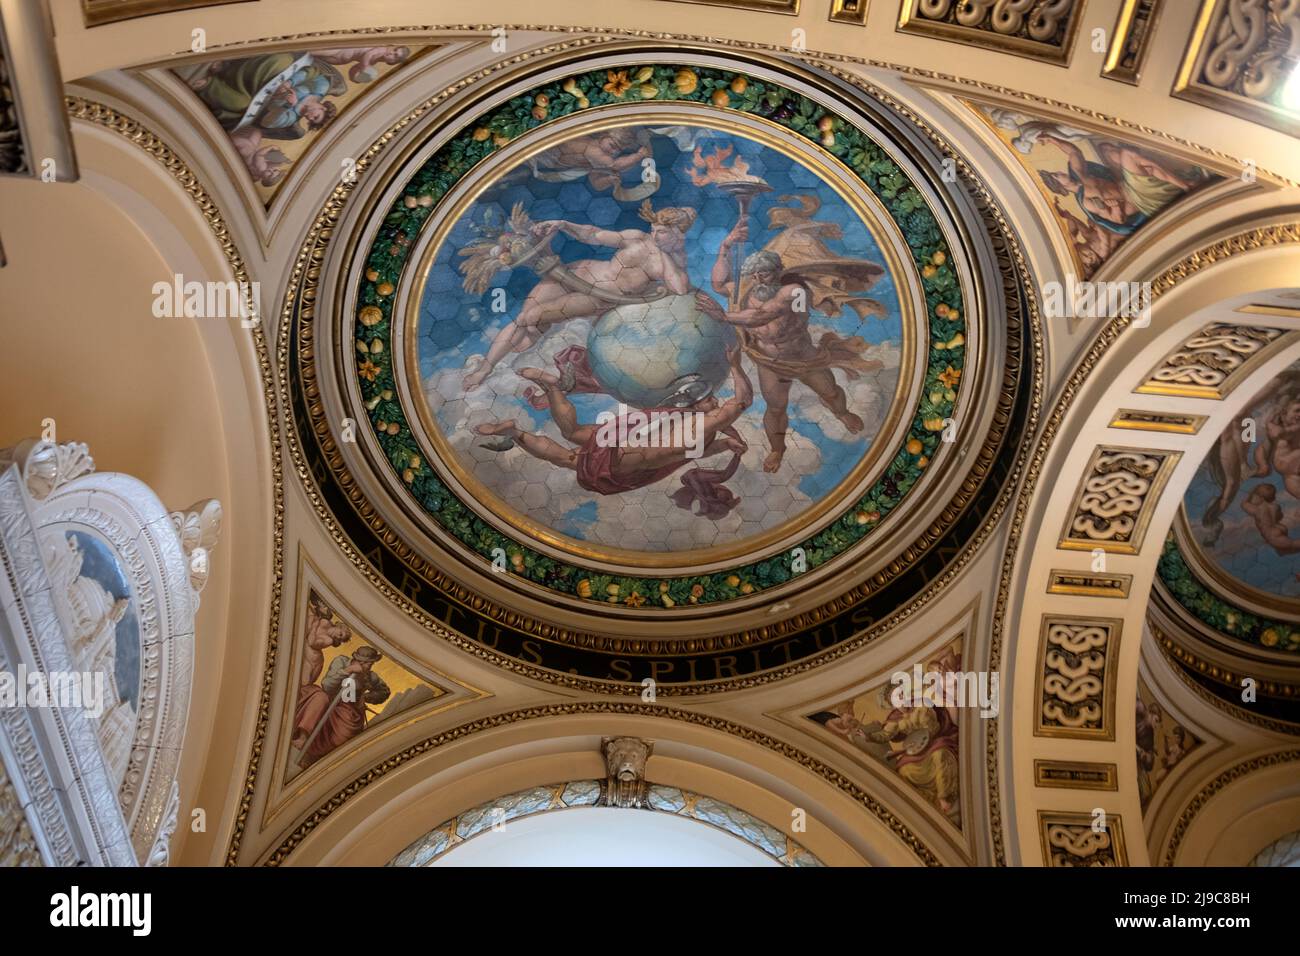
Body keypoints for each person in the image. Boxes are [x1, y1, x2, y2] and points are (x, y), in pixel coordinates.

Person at [697, 216, 880, 472]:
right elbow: (718, 283)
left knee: (830, 392)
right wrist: (724, 248)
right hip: (769, 362)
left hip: (804, 358)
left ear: (778, 271)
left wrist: (724, 316)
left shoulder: (794, 291)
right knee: (775, 408)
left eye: (766, 273)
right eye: (756, 273)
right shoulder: (748, 289)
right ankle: (777, 449)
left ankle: (842, 413)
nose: (760, 279)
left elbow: (763, 315)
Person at [473, 346, 752, 506]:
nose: (714, 400)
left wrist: (726, 444)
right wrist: (736, 366)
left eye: (711, 397)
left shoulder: (693, 424)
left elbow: (692, 452)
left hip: (625, 438)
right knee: (571, 459)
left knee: (574, 433)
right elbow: (742, 401)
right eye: (708, 398)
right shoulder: (708, 422)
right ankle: (519, 426)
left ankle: (547, 391)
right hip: (630, 456)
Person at [462, 201, 696, 389]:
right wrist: (563, 223)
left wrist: (667, 254)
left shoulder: (673, 259)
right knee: (524, 319)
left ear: (677, 232)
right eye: (654, 229)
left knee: (528, 320)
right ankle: (486, 367)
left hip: (596, 296)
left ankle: (504, 359)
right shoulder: (638, 237)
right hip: (579, 270)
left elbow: (680, 289)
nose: (654, 236)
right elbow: (594, 235)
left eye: (663, 232)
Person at [292, 645, 390, 768]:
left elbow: (384, 691)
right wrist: (347, 671)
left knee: (342, 735)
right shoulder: (342, 662)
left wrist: (367, 697)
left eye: (370, 664)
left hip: (349, 711)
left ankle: (317, 760)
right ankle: (303, 740)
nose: (367, 667)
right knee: (318, 704)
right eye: (365, 663)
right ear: (358, 660)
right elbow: (327, 685)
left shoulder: (370, 676)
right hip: (329, 702)